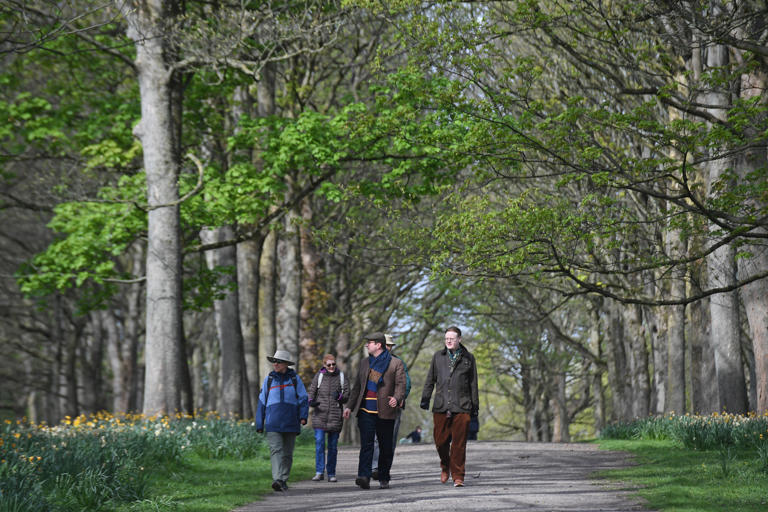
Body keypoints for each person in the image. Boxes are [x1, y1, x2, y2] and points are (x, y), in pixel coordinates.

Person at [343, 331, 406, 490]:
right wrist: (349, 406)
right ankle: (364, 476)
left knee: (385, 446)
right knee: (366, 445)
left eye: (369, 342)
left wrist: (397, 398)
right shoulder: (365, 363)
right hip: (365, 410)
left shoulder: (395, 363)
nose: (366, 345)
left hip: (385, 411)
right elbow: (357, 386)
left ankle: (384, 477)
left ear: (378, 345)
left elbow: (401, 385)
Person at [420, 326, 479, 488]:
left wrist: (475, 406)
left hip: (463, 406)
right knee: (440, 442)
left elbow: (473, 384)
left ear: (459, 339)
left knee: (459, 444)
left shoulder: (469, 358)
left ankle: (458, 476)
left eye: (452, 338)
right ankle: (445, 465)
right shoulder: (438, 357)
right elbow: (430, 379)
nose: (449, 341)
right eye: (447, 338)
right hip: (441, 405)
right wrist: (425, 398)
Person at [255, 349, 309, 492]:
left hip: (291, 421)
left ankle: (283, 479)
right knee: (276, 450)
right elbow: (261, 402)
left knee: (287, 454)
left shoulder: (295, 379)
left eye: (278, 362)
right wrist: (260, 423)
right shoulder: (269, 380)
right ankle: (277, 479)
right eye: (274, 362)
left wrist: (303, 417)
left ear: (286, 364)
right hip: (273, 422)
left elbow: (303, 398)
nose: (275, 364)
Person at [371, 334, 411, 480]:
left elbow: (405, 383)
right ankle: (375, 467)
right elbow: (372, 384)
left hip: (394, 406)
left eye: (389, 345)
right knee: (376, 438)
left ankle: (384, 469)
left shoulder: (399, 363)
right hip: (377, 406)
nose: (387, 348)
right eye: (385, 345)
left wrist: (400, 397)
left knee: (390, 440)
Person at [308, 353, 349, 483]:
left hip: (335, 416)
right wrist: (311, 401)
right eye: (329, 364)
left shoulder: (341, 376)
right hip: (320, 415)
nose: (331, 367)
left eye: (333, 364)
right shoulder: (319, 376)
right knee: (319, 443)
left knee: (332, 447)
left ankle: (331, 473)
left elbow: (348, 394)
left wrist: (340, 397)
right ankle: (319, 472)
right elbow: (311, 391)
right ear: (324, 365)